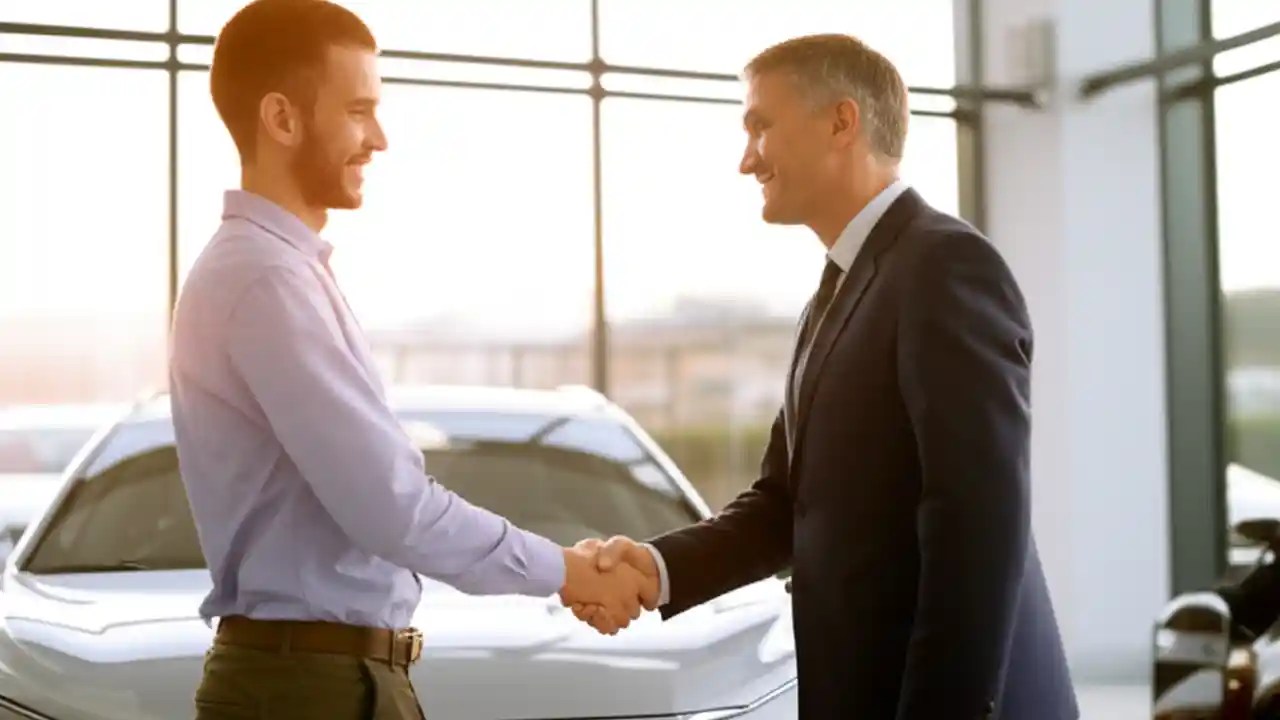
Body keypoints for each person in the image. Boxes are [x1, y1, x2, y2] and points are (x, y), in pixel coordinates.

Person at [575, 34, 1079, 719]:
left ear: (842, 121)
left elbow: (978, 525)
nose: (746, 158)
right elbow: (786, 504)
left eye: (761, 125)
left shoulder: (944, 267)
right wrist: (655, 569)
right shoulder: (838, 292)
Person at [169, 2, 649, 718]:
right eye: (359, 110)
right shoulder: (265, 279)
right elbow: (393, 508)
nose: (379, 138)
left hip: (323, 678)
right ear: (282, 118)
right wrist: (569, 570)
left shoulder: (278, 272)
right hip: (307, 691)